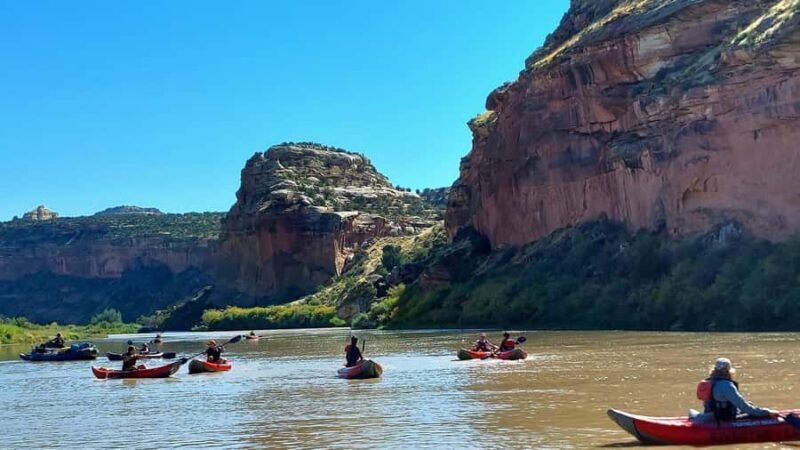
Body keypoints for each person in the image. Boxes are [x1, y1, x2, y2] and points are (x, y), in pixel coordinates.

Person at [693, 358, 777, 422]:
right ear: (729, 371)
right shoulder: (726, 385)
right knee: (756, 413)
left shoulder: (709, 382)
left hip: (711, 415)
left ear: (714, 370)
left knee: (750, 404)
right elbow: (745, 407)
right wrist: (767, 412)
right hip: (724, 418)